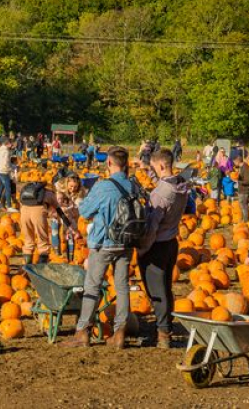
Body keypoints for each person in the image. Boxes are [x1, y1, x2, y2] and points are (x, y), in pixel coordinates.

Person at [63, 146, 134, 349]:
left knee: (92, 286)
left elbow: (84, 212)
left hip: (104, 242)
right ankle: (120, 332)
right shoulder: (132, 185)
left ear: (109, 163)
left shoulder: (104, 187)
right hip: (127, 242)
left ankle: (82, 332)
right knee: (121, 287)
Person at [138, 148, 190, 349]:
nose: (153, 170)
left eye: (153, 167)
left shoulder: (161, 193)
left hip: (156, 245)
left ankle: (163, 334)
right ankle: (166, 325)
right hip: (171, 242)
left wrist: (143, 248)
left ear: (160, 165)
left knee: (156, 291)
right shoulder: (182, 185)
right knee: (166, 287)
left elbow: (152, 226)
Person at [18, 179, 59, 265]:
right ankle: (41, 266)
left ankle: (26, 267)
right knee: (42, 240)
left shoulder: (25, 190)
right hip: (38, 214)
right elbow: (58, 208)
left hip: (24, 213)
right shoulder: (49, 193)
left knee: (28, 241)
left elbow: (20, 203)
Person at [51, 173, 83, 262]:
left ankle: (70, 259)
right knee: (54, 229)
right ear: (67, 183)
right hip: (57, 215)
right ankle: (57, 254)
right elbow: (55, 184)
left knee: (70, 236)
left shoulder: (79, 197)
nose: (73, 189)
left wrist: (71, 210)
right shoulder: (61, 191)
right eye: (71, 186)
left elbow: (77, 212)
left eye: (75, 187)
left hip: (70, 218)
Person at [0, 141, 15, 213]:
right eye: (11, 144)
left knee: (1, 188)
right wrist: (11, 169)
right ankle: (9, 206)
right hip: (4, 171)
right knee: (8, 188)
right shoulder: (6, 152)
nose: (12, 145)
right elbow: (6, 163)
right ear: (8, 144)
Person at [236, 152, 249, 222]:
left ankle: (246, 221)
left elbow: (248, 181)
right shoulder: (242, 167)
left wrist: (238, 181)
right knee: (241, 206)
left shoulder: (246, 168)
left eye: (235, 161)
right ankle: (243, 220)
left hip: (244, 190)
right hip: (241, 190)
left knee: (244, 206)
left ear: (238, 161)